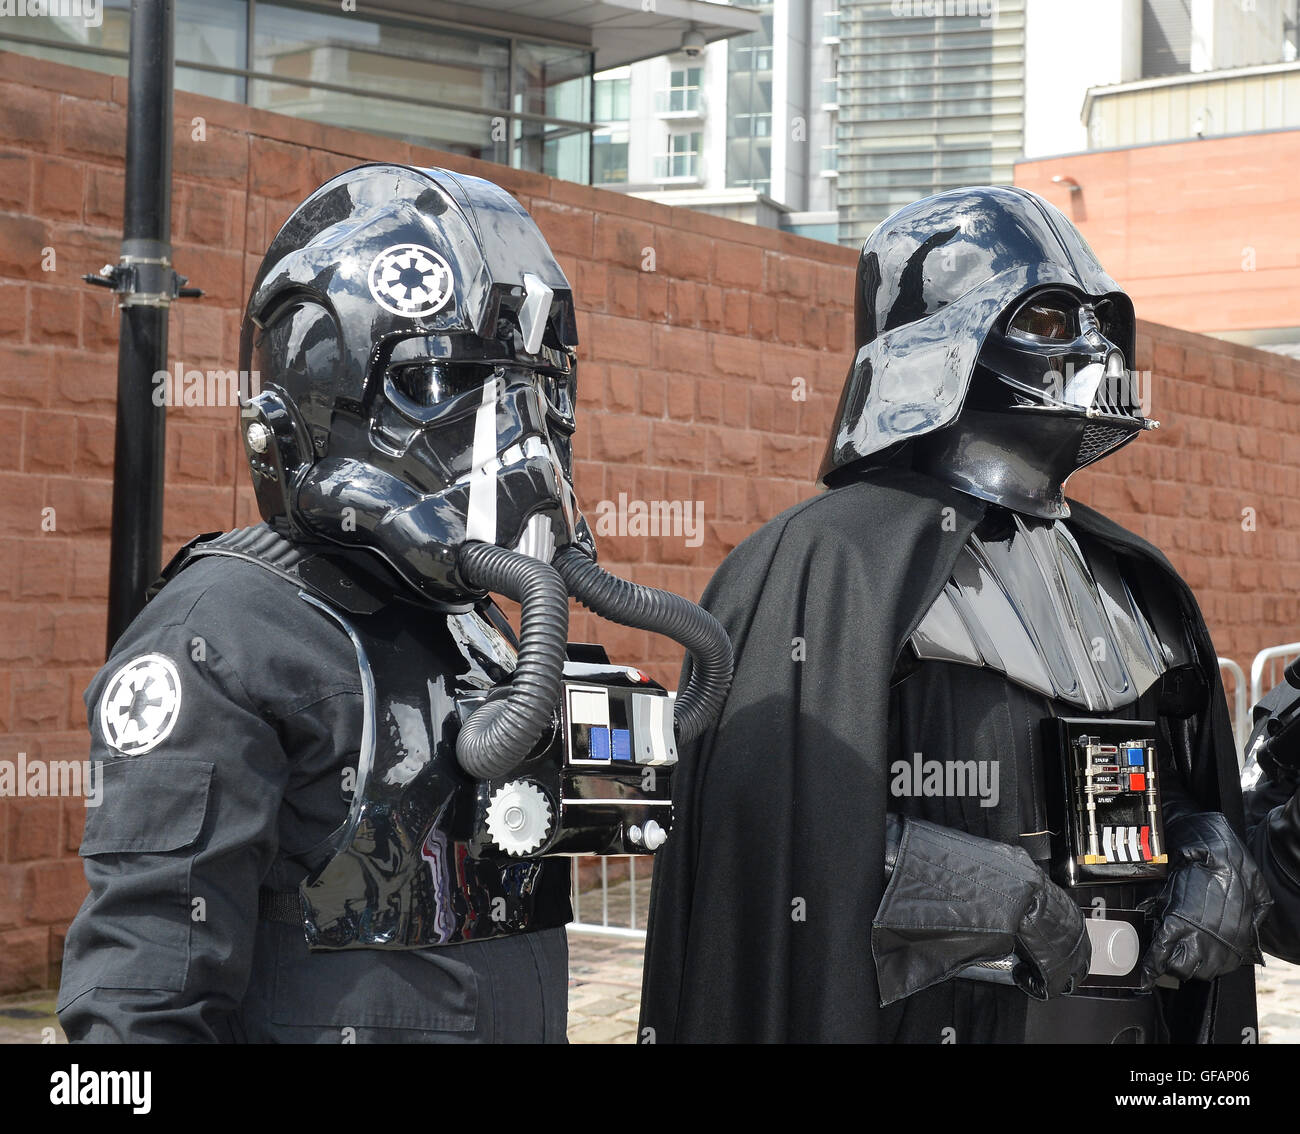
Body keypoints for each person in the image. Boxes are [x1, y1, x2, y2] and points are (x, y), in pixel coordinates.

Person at [56, 163, 730, 1043]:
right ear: (314, 401)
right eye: (444, 381)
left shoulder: (468, 623)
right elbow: (139, 1001)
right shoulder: (218, 636)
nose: (515, 437)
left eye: (536, 387)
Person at [641, 185, 1271, 1044]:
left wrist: (1211, 850)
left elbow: (1180, 778)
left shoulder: (1134, 577)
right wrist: (946, 883)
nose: (1092, 349)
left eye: (1101, 321)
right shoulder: (825, 562)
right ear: (943, 344)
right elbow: (768, 840)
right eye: (1049, 319)